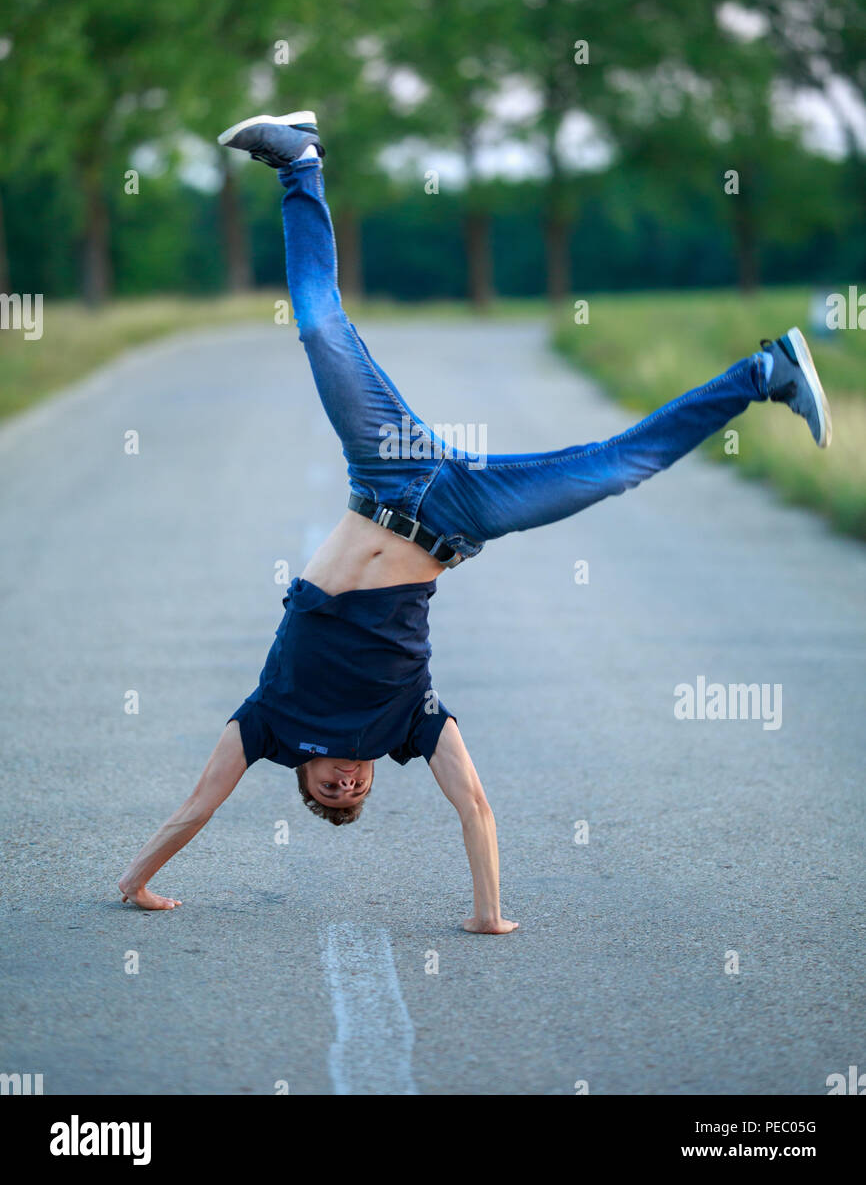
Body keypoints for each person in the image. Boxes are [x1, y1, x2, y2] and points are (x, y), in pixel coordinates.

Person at [118, 109, 832, 934]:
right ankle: (766, 370)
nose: (345, 786)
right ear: (377, 780)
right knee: (614, 467)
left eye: (329, 791)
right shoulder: (408, 724)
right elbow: (477, 807)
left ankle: (299, 162)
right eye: (356, 793)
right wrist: (488, 914)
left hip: (385, 469)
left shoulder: (268, 722)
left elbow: (195, 807)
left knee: (319, 328)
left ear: (304, 776)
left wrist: (137, 880)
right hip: (458, 515)